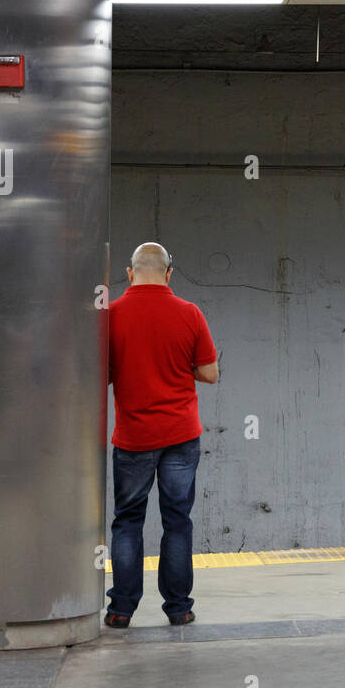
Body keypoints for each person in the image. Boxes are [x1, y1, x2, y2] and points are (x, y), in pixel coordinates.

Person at [106, 242, 218, 627]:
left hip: (134, 437)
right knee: (177, 520)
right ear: (170, 273)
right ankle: (179, 609)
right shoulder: (190, 313)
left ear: (130, 272)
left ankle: (121, 609)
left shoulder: (111, 315)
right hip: (181, 435)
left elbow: (99, 375)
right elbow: (210, 373)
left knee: (127, 521)